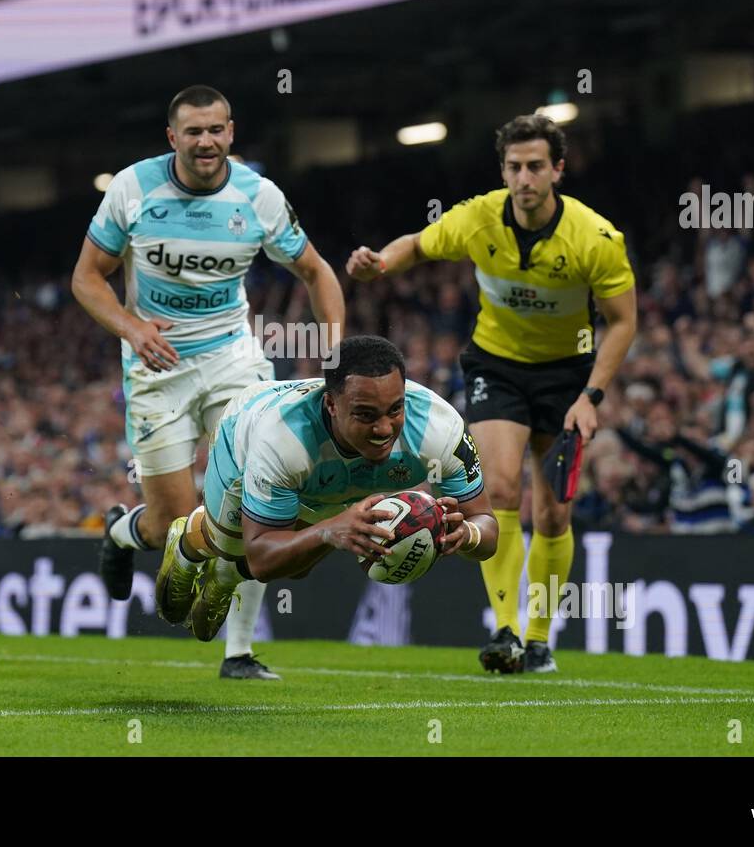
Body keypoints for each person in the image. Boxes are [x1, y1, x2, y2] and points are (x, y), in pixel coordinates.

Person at [346, 114, 637, 673]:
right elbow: (416, 244)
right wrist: (379, 263)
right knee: (499, 487)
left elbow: (623, 322)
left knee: (552, 515)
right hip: (497, 366)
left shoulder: (596, 239)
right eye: (513, 167)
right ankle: (505, 629)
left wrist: (591, 397)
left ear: (557, 169)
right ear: (503, 170)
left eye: (534, 167)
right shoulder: (479, 217)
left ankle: (539, 638)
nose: (523, 178)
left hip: (567, 377)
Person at [73, 84, 344, 680]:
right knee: (174, 522)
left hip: (233, 361)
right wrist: (132, 327)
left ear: (231, 132)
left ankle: (239, 652)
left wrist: (335, 351)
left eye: (215, 129)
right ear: (172, 137)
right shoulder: (134, 189)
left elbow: (316, 270)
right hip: (156, 368)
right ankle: (123, 533)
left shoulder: (258, 197)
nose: (205, 141)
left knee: (254, 496)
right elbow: (88, 279)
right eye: (193, 131)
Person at [152, 336, 498, 649]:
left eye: (395, 409)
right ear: (332, 405)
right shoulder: (283, 439)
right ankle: (186, 545)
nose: (383, 428)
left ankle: (224, 578)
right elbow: (260, 558)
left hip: (331, 479)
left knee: (298, 566)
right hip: (244, 434)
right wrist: (330, 529)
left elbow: (488, 527)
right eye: (365, 414)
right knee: (229, 543)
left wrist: (466, 533)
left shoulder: (441, 430)